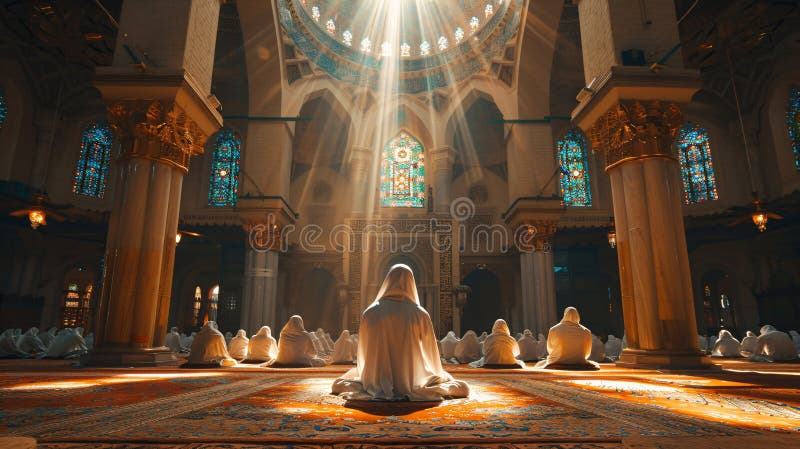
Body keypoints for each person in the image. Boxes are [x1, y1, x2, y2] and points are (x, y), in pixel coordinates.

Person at [332, 264, 469, 401]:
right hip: (414, 379)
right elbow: (430, 352)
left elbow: (363, 352)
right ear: (411, 283)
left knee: (337, 386)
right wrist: (433, 373)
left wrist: (369, 375)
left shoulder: (370, 312)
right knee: (463, 388)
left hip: (375, 378)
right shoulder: (419, 313)